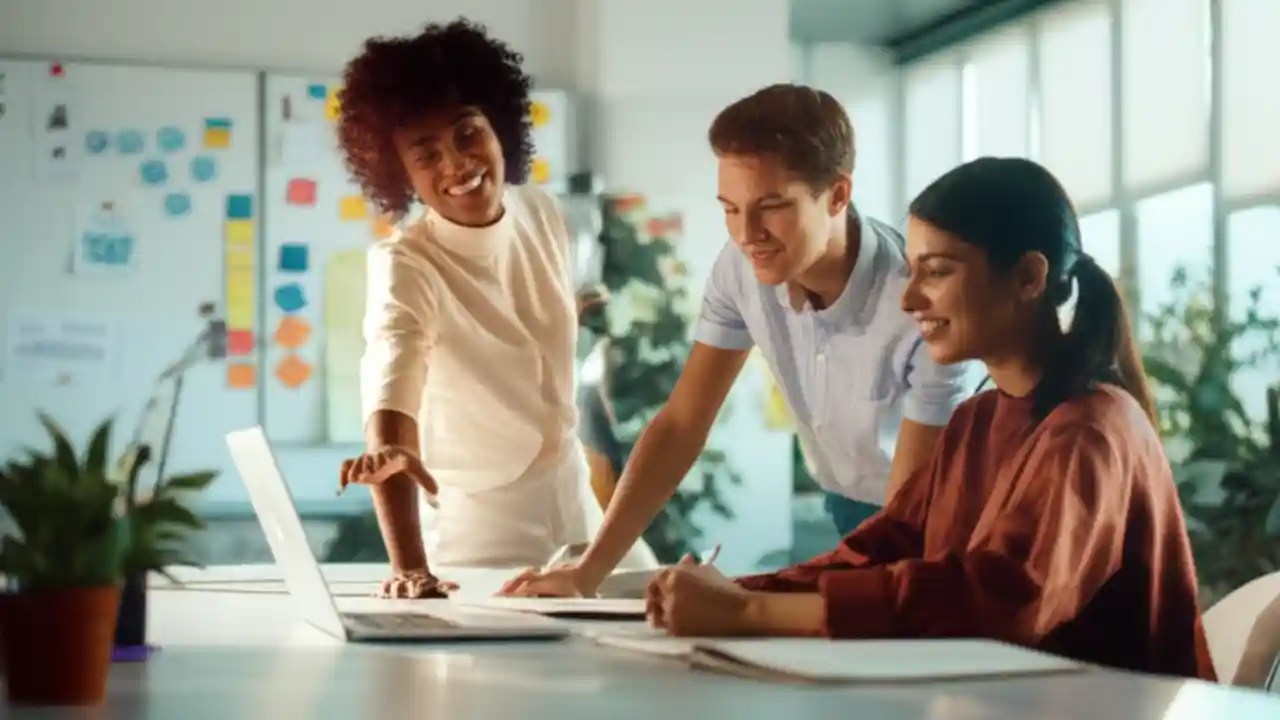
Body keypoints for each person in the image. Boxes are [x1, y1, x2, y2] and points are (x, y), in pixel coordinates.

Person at [636, 157, 1216, 681]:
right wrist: (729, 593)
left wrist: (750, 611)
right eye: (911, 271)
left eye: (936, 271)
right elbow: (883, 550)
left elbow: (999, 601)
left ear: (1028, 279)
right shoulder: (976, 420)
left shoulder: (1092, 430)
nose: (909, 300)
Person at [502, 84, 979, 599]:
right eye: (730, 209)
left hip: (935, 517)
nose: (747, 233)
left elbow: (906, 522)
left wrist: (753, 596)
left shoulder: (919, 303)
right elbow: (683, 423)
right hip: (845, 500)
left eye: (771, 206)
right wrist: (587, 573)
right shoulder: (742, 270)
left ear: (838, 194)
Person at [333, 19, 647, 599]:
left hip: (576, 509)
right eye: (425, 154)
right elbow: (392, 389)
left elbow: (535, 334)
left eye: (467, 134)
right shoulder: (406, 263)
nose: (456, 162)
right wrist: (409, 567)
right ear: (400, 175)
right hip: (483, 536)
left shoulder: (543, 215)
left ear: (498, 127)